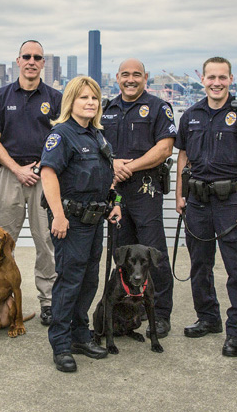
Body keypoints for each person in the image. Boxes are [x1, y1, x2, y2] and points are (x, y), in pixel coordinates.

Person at [174, 57, 237, 357]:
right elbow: (183, 158)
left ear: (231, 80)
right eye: (211, 77)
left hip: (233, 203)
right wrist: (180, 194)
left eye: (222, 77)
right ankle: (208, 317)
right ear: (202, 79)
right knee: (200, 265)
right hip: (198, 202)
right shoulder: (191, 115)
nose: (216, 82)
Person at [40, 76, 121, 373]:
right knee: (69, 281)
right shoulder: (62, 134)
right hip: (71, 222)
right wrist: (58, 215)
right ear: (71, 102)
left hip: (94, 219)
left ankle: (79, 334)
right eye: (83, 98)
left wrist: (116, 203)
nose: (90, 103)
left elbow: (105, 177)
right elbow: (48, 175)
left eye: (94, 99)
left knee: (88, 281)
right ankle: (60, 344)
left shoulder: (97, 135)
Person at [0, 40, 63, 325]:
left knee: (47, 241)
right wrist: (17, 169)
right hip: (10, 174)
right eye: (26, 56)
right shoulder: (1, 96)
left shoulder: (55, 97)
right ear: (18, 61)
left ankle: (49, 303)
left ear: (43, 63)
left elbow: (62, 138)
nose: (31, 61)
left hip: (46, 175)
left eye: (37, 57)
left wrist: (42, 166)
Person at [100, 58, 176, 338]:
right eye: (124, 75)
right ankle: (128, 307)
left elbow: (165, 148)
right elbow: (96, 144)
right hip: (116, 191)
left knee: (153, 254)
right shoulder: (106, 109)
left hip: (146, 191)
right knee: (123, 253)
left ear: (146, 77)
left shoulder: (158, 107)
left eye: (136, 75)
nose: (130, 79)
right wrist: (112, 166)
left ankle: (161, 312)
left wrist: (127, 166)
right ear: (117, 78)